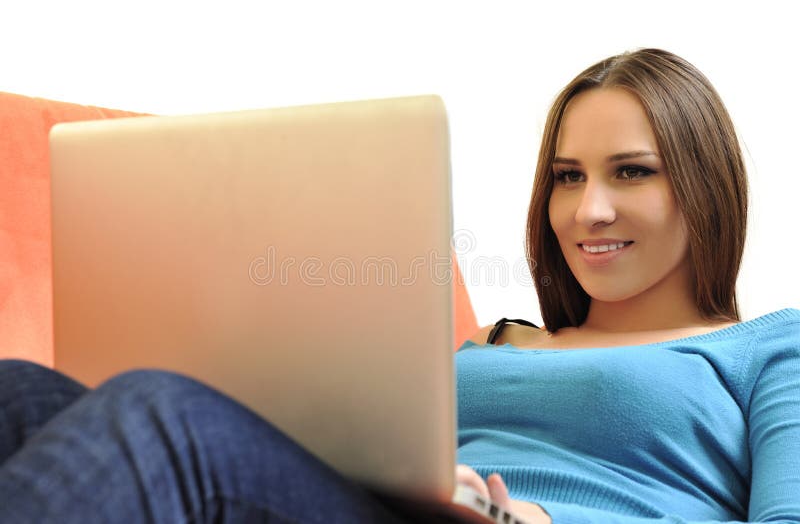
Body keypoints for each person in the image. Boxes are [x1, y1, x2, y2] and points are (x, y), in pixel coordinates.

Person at [1, 48, 797, 523]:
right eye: (566, 176)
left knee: (161, 417)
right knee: (19, 392)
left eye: (631, 172)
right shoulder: (489, 343)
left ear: (702, 183)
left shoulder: (769, 350)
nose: (588, 210)